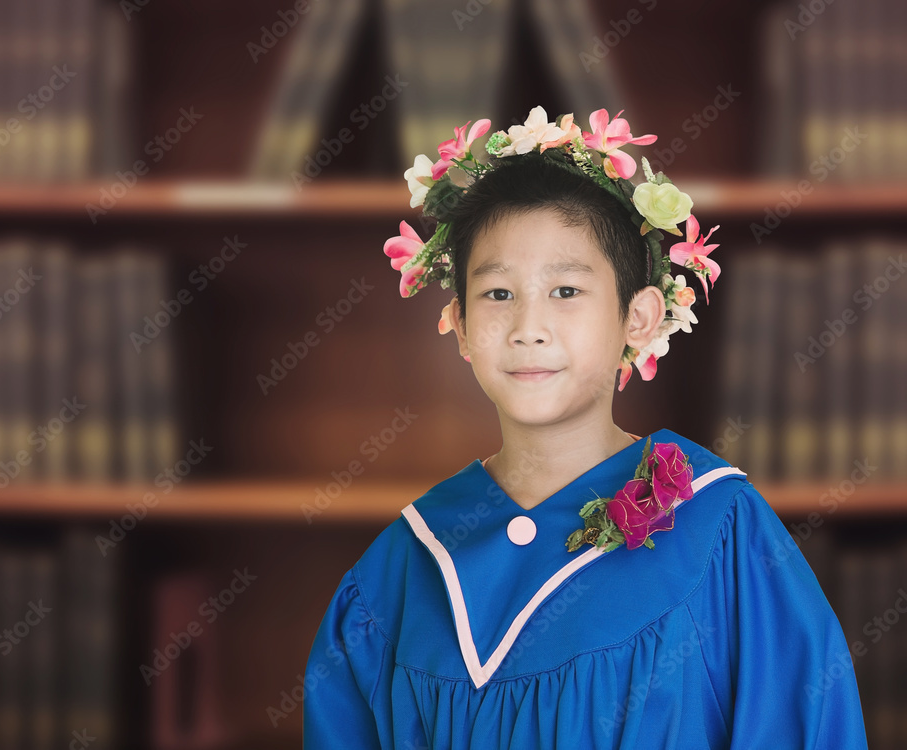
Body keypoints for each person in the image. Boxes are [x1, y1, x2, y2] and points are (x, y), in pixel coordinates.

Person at [302, 106, 868, 748]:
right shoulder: (399, 575)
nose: (528, 327)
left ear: (639, 318)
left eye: (566, 291)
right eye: (497, 294)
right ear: (459, 324)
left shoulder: (720, 532)